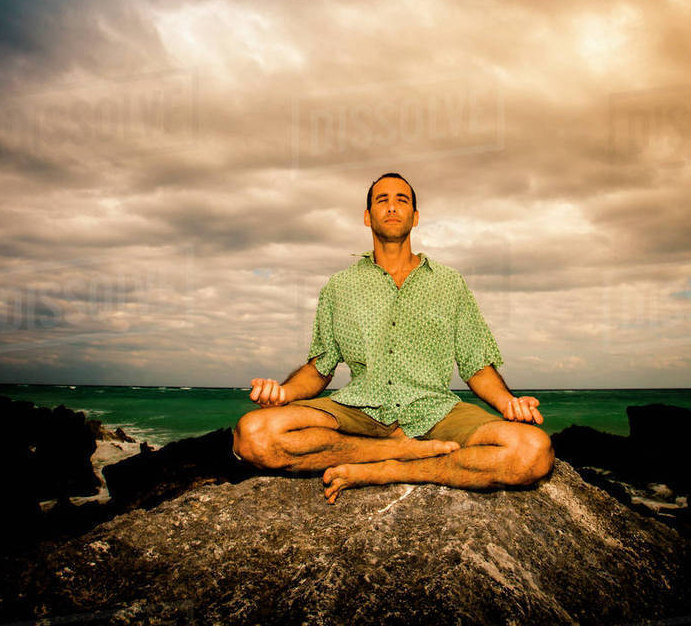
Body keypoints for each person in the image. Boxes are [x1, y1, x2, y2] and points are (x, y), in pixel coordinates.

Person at [231, 172, 554, 504]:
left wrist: (509, 403)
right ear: (368, 217)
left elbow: (476, 365)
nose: (392, 207)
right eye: (381, 200)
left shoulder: (449, 283)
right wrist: (283, 393)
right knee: (253, 435)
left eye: (402, 200)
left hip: (435, 410)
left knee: (533, 450)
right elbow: (319, 368)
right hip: (361, 408)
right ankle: (394, 449)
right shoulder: (339, 287)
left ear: (415, 217)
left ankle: (393, 470)